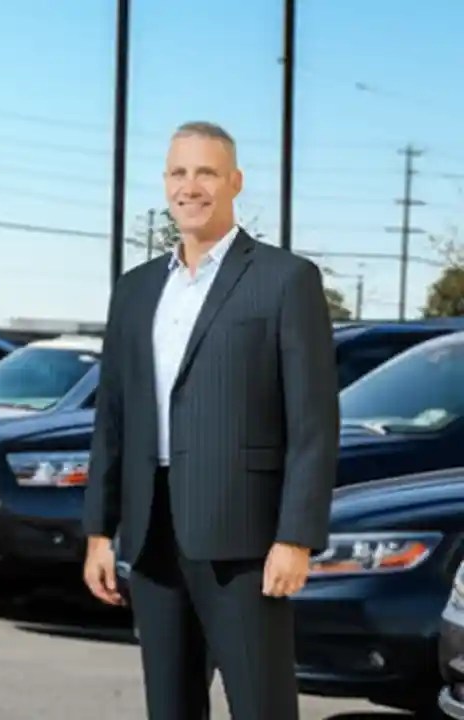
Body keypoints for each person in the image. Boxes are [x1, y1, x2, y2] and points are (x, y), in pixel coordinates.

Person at [82, 120, 339, 720]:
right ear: (165, 183)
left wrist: (296, 537)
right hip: (152, 534)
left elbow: (312, 421)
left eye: (205, 172)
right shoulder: (137, 289)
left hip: (244, 539)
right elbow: (113, 416)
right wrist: (100, 531)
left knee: (261, 706)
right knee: (170, 707)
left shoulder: (284, 279)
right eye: (178, 172)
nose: (189, 186)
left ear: (235, 182)